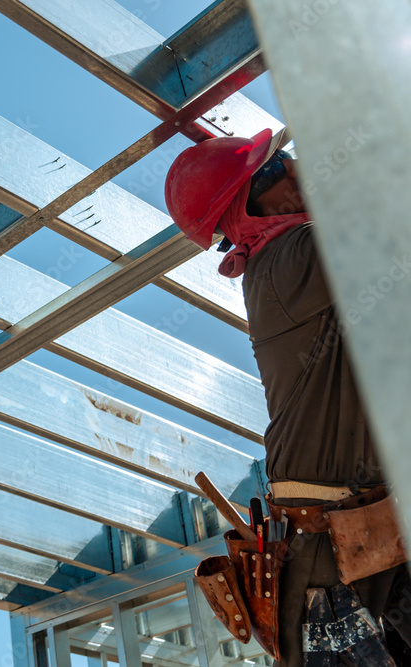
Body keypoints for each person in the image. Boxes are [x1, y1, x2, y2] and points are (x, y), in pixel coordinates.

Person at [165, 130, 410, 665]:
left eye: (285, 159)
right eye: (276, 170)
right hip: (328, 557)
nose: (296, 172)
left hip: (367, 536)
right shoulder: (288, 261)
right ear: (242, 211)